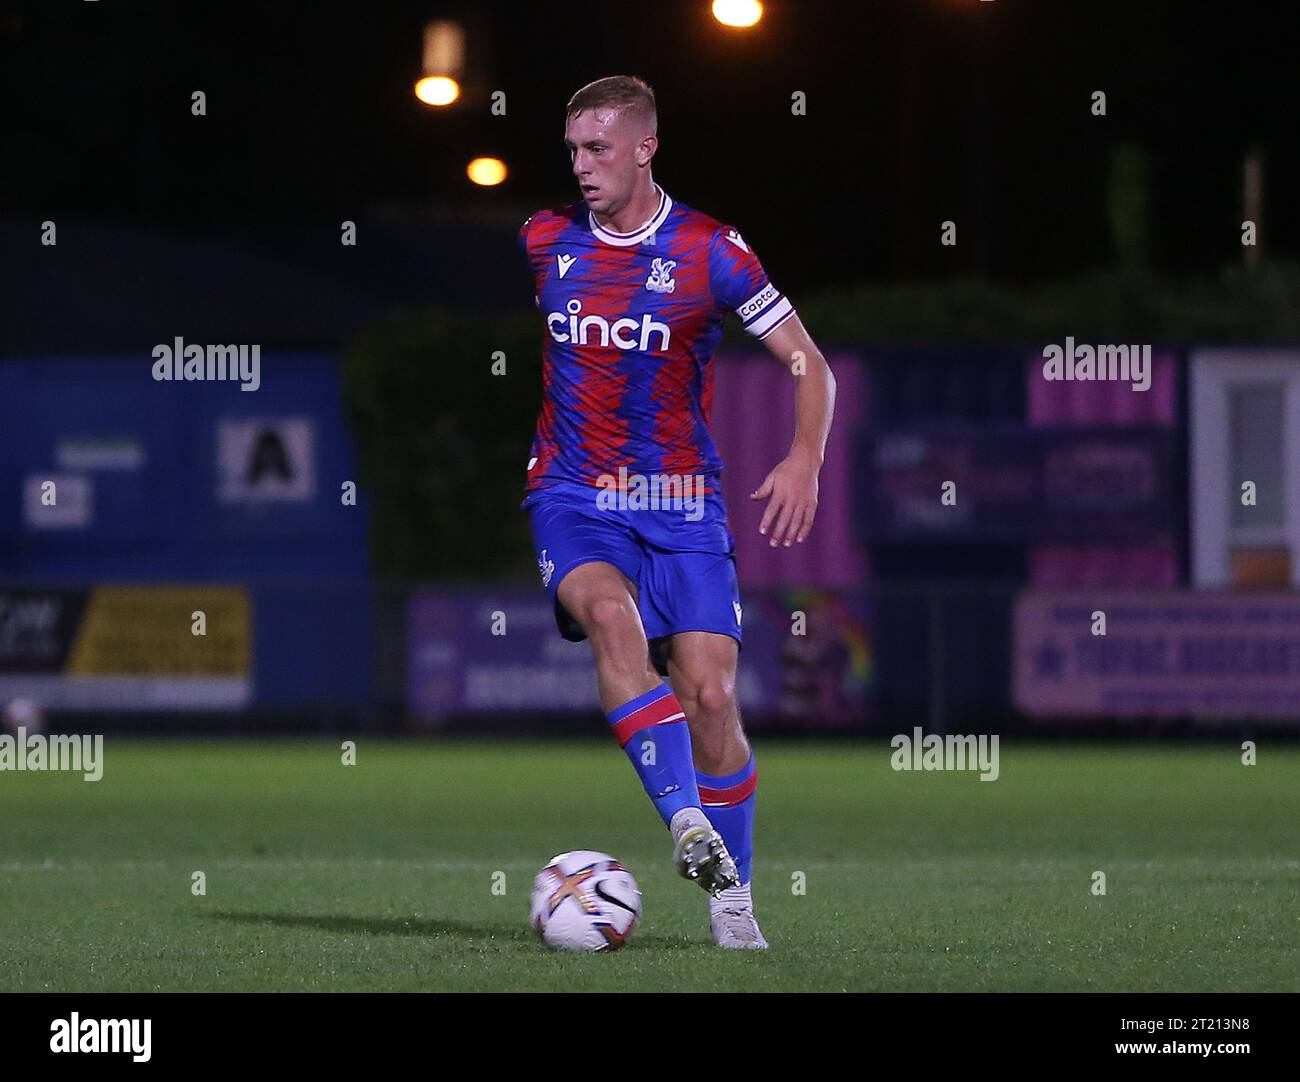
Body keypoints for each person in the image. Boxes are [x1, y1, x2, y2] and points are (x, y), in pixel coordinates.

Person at [517, 75, 835, 949]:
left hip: (681, 500)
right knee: (615, 625)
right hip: (573, 494)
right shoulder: (547, 242)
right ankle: (685, 823)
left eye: (600, 149)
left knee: (710, 695)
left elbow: (809, 363)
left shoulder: (711, 252)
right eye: (574, 150)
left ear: (646, 147)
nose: (582, 167)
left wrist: (804, 455)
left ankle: (731, 897)